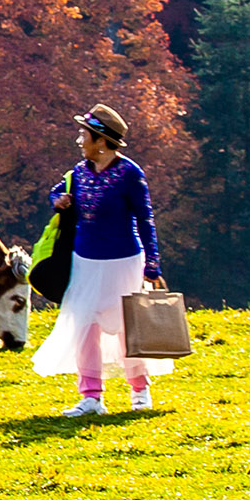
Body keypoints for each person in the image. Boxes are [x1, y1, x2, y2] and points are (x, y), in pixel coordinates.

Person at [32, 103, 171, 417]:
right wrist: (59, 200)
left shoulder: (130, 174)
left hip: (123, 261)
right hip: (87, 261)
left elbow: (145, 219)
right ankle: (91, 397)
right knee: (85, 325)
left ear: (101, 141)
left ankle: (139, 390)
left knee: (128, 326)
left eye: (85, 135)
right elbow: (57, 190)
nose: (80, 141)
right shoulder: (79, 173)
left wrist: (153, 264)